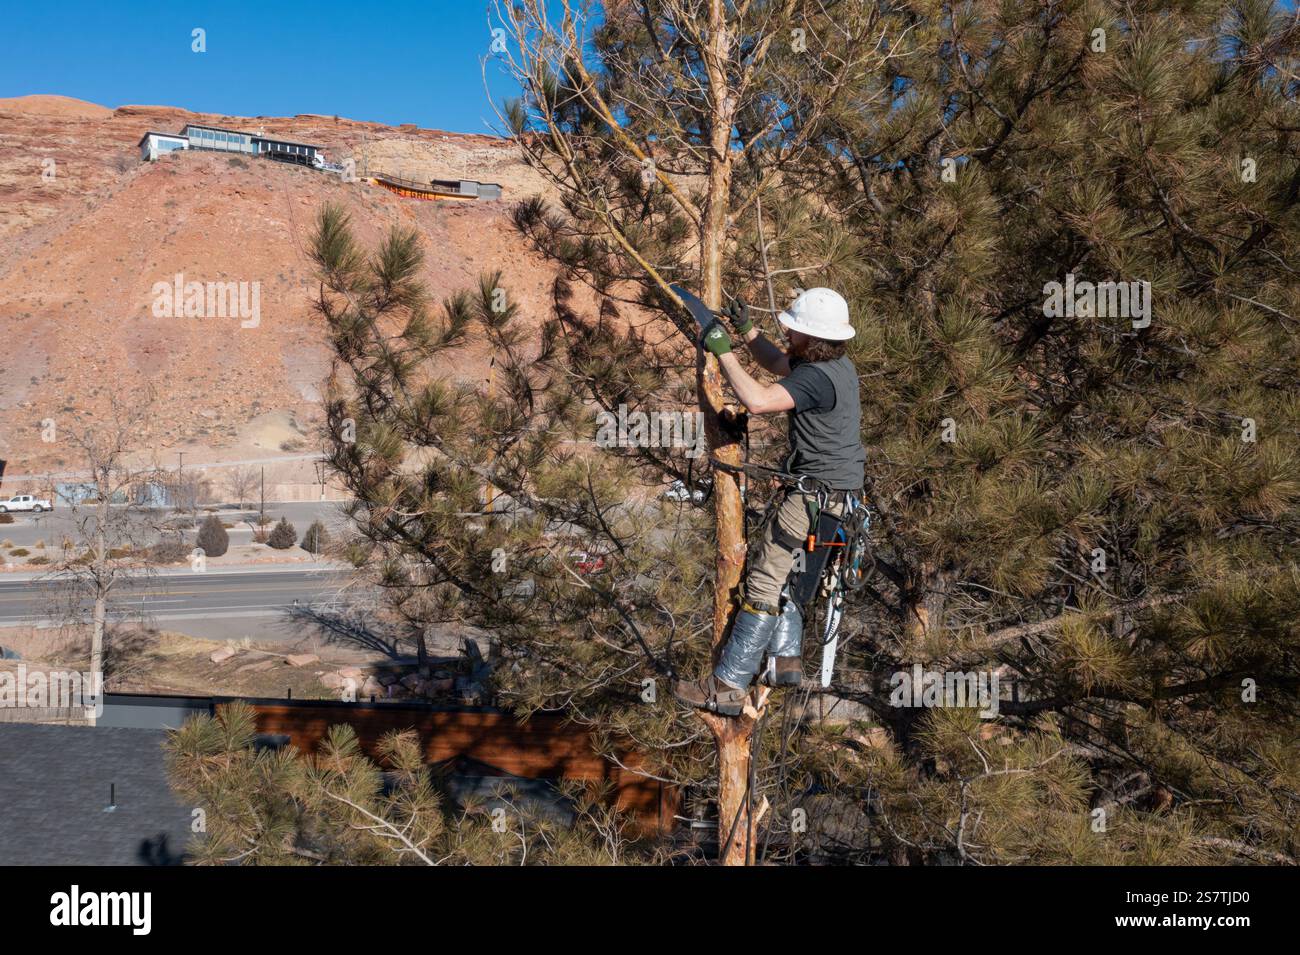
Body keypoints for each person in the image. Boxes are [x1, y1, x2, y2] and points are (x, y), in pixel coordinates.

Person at [673, 288, 865, 715]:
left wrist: (723, 352)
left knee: (764, 584)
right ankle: (783, 666)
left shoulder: (816, 376)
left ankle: (726, 690)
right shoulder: (836, 364)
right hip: (838, 499)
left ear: (810, 336)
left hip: (814, 497)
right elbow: (778, 363)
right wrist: (748, 332)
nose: (787, 330)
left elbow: (757, 401)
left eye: (793, 327)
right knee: (793, 587)